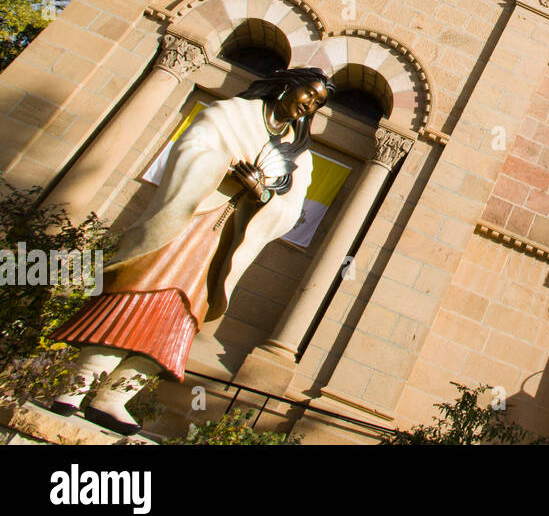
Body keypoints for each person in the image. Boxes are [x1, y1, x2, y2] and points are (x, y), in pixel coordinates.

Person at [48, 67, 334, 434]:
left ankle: (114, 397)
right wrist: (225, 171)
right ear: (287, 85)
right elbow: (192, 147)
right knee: (141, 295)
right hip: (186, 225)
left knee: (181, 318)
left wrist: (260, 195)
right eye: (308, 94)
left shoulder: (298, 153)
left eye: (318, 103)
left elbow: (289, 209)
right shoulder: (233, 114)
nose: (308, 105)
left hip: (222, 243)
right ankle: (76, 387)